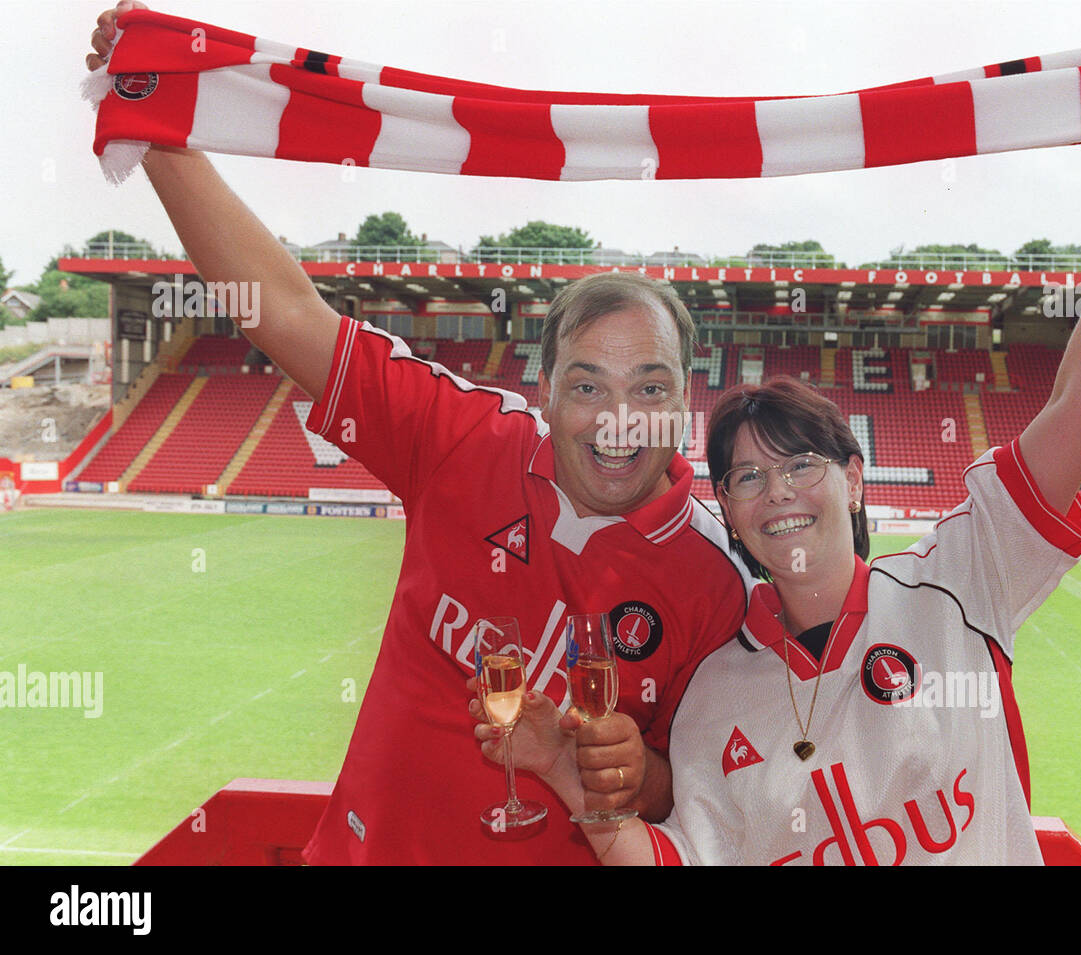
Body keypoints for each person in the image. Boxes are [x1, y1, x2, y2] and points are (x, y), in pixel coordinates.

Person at [87, 2, 751, 864]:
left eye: (648, 385)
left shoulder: (719, 582)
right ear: (545, 389)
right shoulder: (464, 436)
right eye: (588, 384)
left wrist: (641, 771)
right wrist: (159, 122)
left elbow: (705, 788)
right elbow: (284, 311)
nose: (618, 416)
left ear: (683, 397)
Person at [474, 124, 1081, 864]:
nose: (778, 492)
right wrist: (561, 766)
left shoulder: (958, 581)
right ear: (729, 508)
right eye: (748, 476)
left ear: (853, 477)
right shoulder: (713, 693)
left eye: (800, 464)